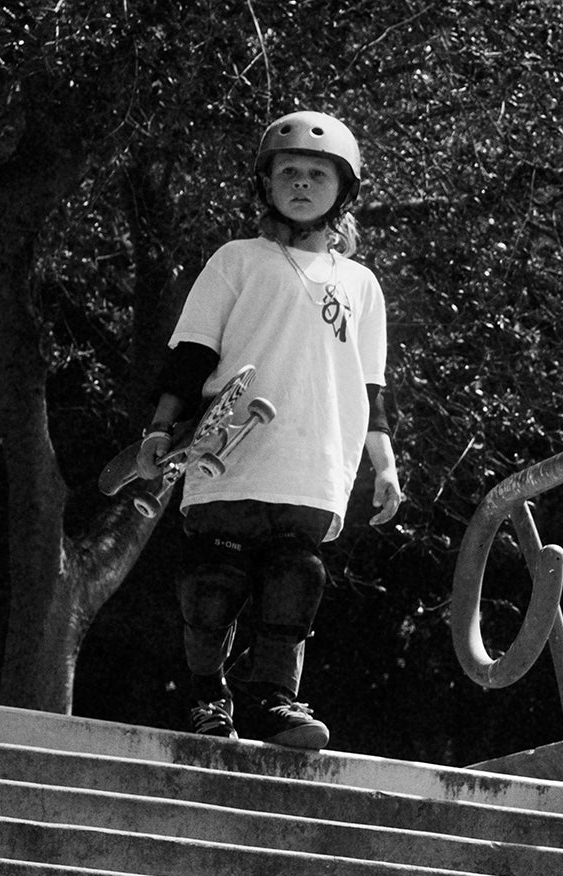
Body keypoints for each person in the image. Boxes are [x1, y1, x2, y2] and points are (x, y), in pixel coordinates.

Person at [132, 109, 402, 752]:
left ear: (344, 190)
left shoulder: (362, 285)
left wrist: (385, 465)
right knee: (213, 583)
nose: (301, 183)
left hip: (316, 464)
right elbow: (191, 354)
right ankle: (207, 698)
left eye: (317, 174)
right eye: (289, 172)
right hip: (229, 454)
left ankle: (274, 702)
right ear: (266, 183)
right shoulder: (238, 260)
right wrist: (159, 429)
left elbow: (371, 388)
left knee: (294, 579)